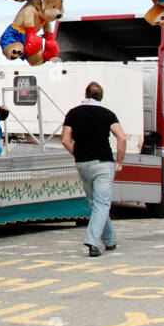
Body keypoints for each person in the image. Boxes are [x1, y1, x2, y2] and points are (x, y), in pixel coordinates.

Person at [61, 81, 127, 257]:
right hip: (103, 163)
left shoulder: (73, 113)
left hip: (83, 164)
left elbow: (65, 140)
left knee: (94, 203)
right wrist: (119, 161)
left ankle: (110, 240)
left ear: (85, 94)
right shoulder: (108, 114)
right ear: (101, 97)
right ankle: (92, 240)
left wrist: (78, 153)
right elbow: (122, 138)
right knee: (102, 203)